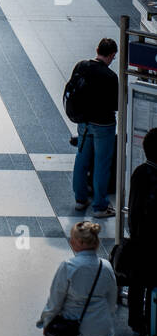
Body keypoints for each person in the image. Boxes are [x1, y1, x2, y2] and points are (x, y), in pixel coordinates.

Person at [37, 221, 115, 336]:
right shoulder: (105, 266)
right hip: (98, 329)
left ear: (78, 243)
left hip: (69, 327)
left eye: (72, 238)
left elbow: (55, 300)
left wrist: (46, 322)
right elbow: (111, 301)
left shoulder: (68, 266)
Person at [69, 37, 118, 216]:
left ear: (97, 49)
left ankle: (80, 199)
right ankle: (100, 206)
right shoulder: (110, 76)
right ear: (112, 55)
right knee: (101, 164)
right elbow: (116, 104)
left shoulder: (81, 66)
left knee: (81, 159)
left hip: (84, 123)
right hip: (103, 125)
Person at [126, 126, 157, 336]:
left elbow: (134, 208)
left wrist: (134, 232)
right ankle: (150, 320)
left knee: (138, 283)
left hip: (141, 238)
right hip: (151, 239)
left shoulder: (139, 173)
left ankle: (137, 323)